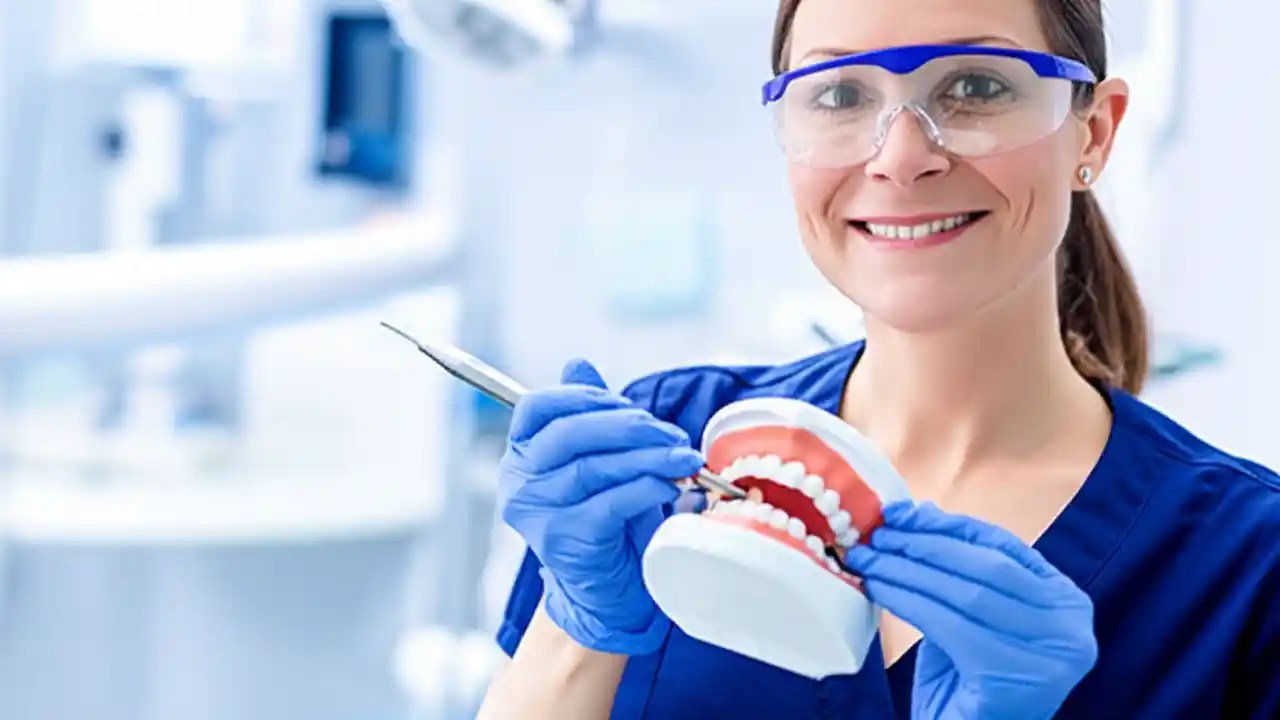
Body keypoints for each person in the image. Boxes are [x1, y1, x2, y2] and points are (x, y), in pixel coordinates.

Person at [476, 0, 1280, 717]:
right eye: (840, 95)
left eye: (975, 87)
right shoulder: (667, 446)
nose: (900, 157)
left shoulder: (1247, 566)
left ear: (1093, 131)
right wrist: (576, 631)